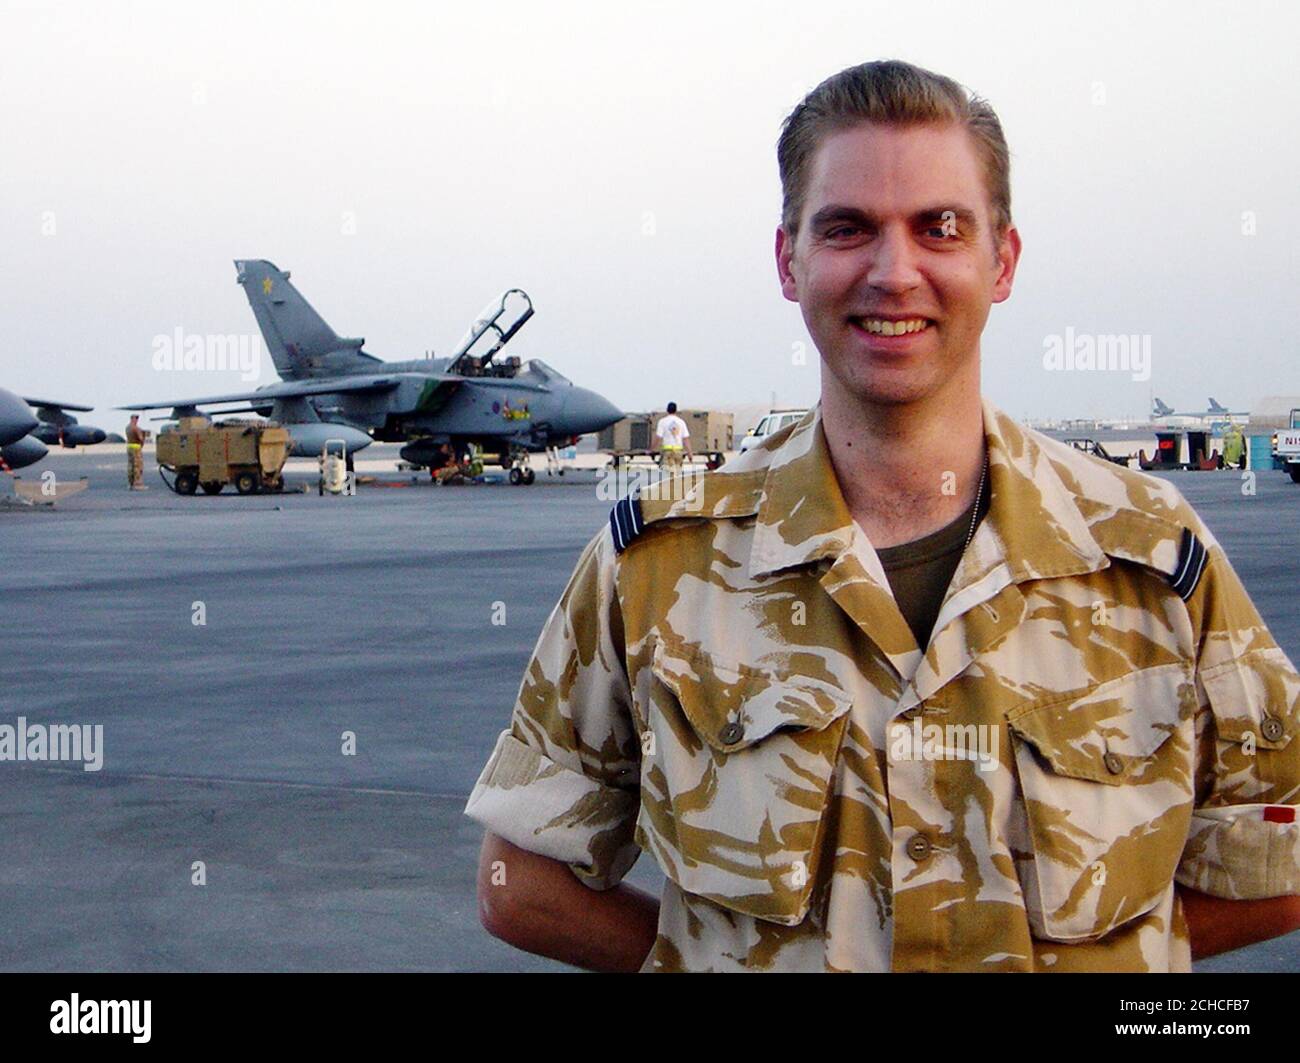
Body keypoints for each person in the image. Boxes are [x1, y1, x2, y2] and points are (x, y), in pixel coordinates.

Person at [465, 60, 1300, 972]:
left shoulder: (1149, 554)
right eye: (848, 228)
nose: (894, 271)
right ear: (790, 261)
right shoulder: (658, 564)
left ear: (1002, 260)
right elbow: (520, 881)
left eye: (941, 228)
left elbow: (1278, 858)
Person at [653, 402, 692, 470]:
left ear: (667, 410)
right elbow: (686, 439)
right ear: (676, 410)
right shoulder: (681, 422)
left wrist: (651, 448)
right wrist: (690, 453)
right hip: (678, 451)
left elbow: (658, 437)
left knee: (666, 474)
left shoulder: (662, 421)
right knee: (677, 473)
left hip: (667, 451)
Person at [125, 414, 150, 490]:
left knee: (130, 466)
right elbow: (141, 438)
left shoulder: (127, 428)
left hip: (129, 447)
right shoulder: (136, 428)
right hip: (136, 448)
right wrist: (144, 435)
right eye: (136, 418)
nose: (136, 420)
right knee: (138, 466)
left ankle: (131, 483)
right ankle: (137, 484)